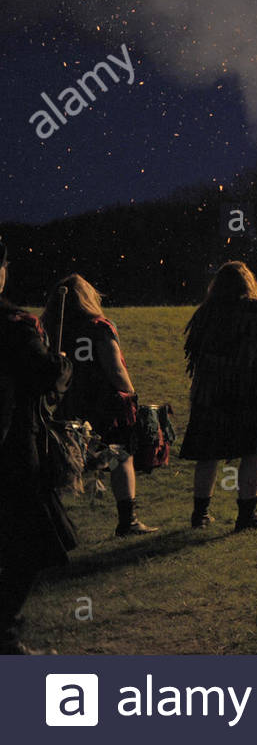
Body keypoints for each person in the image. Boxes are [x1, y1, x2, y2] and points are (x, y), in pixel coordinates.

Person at [182, 261, 257, 531]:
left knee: (208, 454)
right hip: (253, 393)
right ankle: (246, 516)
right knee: (253, 453)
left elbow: (194, 354)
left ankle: (200, 515)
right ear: (248, 283)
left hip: (211, 393)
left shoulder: (206, 313)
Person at [0, 239, 76, 654]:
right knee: (27, 542)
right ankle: (4, 633)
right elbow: (44, 376)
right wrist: (59, 363)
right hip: (12, 451)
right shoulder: (14, 325)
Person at [43, 274, 158, 537]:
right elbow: (114, 366)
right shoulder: (99, 327)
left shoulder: (53, 328)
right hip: (104, 402)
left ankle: (55, 524)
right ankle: (127, 519)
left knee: (70, 459)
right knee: (120, 455)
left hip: (69, 402)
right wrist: (130, 393)